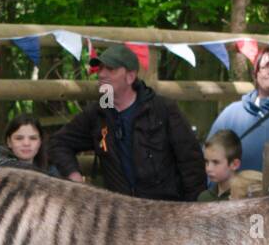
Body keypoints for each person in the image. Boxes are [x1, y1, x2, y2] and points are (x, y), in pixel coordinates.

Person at [47, 43, 205, 201]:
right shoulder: (97, 114)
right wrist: (74, 177)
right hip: (120, 212)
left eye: (111, 69)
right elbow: (58, 143)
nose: (101, 74)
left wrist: (193, 210)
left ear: (130, 76)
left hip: (165, 210)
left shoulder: (162, 109)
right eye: (100, 68)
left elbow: (191, 163)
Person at [205, 47, 269, 173]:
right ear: (256, 75)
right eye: (265, 67)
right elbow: (209, 156)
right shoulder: (231, 114)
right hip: (238, 191)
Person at [198, 129, 241, 201]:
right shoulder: (204, 198)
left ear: (234, 164)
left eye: (215, 162)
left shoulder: (245, 198)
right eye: (206, 161)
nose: (208, 168)